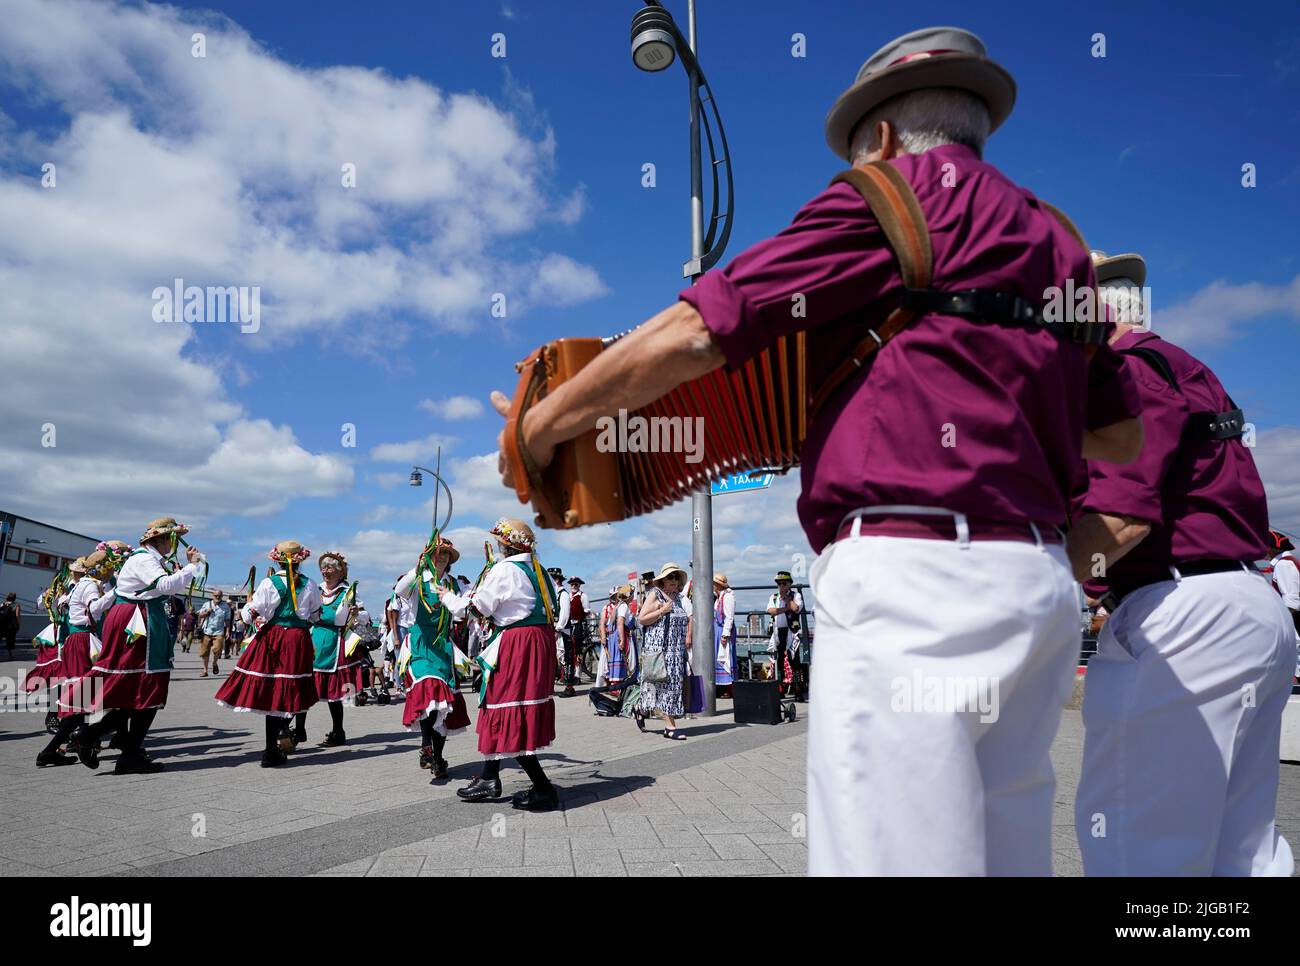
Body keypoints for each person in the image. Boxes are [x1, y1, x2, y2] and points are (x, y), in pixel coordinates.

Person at [490, 26, 1144, 875]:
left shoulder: (884, 197)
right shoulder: (1059, 243)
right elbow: (1120, 436)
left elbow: (700, 329)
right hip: (1038, 584)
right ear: (978, 125)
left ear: (878, 138)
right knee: (1008, 853)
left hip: (913, 584)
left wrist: (541, 429)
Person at [1069, 250, 1293, 876]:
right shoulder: (1184, 366)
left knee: (1138, 850)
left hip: (1182, 618)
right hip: (1248, 604)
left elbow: (1122, 517)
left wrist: (1044, 584)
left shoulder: (1129, 376)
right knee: (1242, 851)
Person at [437, 518, 559, 812]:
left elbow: (479, 608)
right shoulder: (539, 570)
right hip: (537, 641)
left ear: (504, 544)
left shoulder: (504, 569)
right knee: (501, 704)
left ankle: (543, 788)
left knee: (506, 706)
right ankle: (490, 777)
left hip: (517, 643)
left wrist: (447, 597)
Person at [72, 518, 206, 773]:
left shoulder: (148, 559)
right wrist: (191, 567)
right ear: (163, 540)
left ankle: (121, 746)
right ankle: (96, 736)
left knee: (140, 687)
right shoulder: (144, 559)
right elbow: (165, 586)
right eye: (172, 539)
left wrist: (186, 569)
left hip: (138, 617)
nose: (173, 544)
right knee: (148, 685)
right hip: (137, 621)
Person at [214, 541, 320, 767]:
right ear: (300, 561)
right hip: (297, 638)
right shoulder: (310, 584)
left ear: (277, 560)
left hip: (273, 637)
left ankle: (271, 749)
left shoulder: (269, 583)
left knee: (273, 688)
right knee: (291, 687)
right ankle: (281, 734)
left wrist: (250, 611)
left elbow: (248, 615)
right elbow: (315, 615)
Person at [397, 537, 470, 780]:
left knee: (443, 705)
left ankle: (437, 757)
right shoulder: (417, 581)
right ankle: (426, 745)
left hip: (443, 649)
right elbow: (399, 590)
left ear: (450, 559)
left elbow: (464, 609)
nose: (441, 557)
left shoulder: (455, 584)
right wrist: (417, 568)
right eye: (437, 553)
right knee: (430, 690)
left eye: (446, 554)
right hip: (420, 645)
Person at [38, 551, 117, 767]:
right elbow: (94, 608)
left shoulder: (82, 584)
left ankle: (69, 743)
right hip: (82, 639)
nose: (111, 571)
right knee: (85, 695)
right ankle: (67, 743)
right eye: (109, 568)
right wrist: (117, 592)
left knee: (85, 695)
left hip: (79, 640)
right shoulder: (90, 585)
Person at [293, 551, 364, 747]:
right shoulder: (315, 589)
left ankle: (338, 730)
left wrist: (356, 614)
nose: (325, 571)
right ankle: (299, 730)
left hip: (336, 642)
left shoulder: (348, 592)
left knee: (335, 693)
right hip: (314, 640)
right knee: (304, 685)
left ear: (341, 571)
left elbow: (363, 617)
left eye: (330, 567)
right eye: (323, 567)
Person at [634, 563, 691, 740]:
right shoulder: (655, 594)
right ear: (663, 581)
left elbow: (690, 618)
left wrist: (688, 636)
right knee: (658, 687)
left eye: (676, 577)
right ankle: (670, 726)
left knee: (671, 688)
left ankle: (640, 709)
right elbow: (642, 619)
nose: (674, 580)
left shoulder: (681, 598)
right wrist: (662, 610)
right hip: (658, 650)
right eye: (670, 577)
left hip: (676, 651)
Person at [766, 571, 805, 698]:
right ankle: (780, 689)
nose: (781, 586)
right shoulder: (774, 597)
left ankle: (798, 688)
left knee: (795, 660)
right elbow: (771, 611)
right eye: (779, 583)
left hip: (792, 632)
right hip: (779, 631)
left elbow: (796, 608)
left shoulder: (796, 595)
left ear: (790, 584)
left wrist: (788, 599)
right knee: (779, 660)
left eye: (784, 583)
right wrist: (784, 609)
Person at [547, 566, 574, 696]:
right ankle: (549, 685)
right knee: (551, 658)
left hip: (563, 630)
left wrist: (558, 628)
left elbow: (564, 613)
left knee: (566, 658)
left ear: (557, 579)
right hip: (553, 630)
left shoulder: (563, 594)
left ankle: (569, 686)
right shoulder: (551, 594)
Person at [196, 589, 231, 677]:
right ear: (212, 596)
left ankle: (214, 663)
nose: (217, 597)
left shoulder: (226, 606)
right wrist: (207, 612)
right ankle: (205, 671)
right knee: (204, 652)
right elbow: (200, 615)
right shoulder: (207, 604)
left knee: (218, 650)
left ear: (222, 596)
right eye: (216, 595)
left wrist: (227, 631)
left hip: (219, 631)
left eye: (219, 596)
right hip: (206, 631)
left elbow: (227, 620)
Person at [712, 574, 736, 691]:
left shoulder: (727, 597)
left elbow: (729, 617)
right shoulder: (719, 597)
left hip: (723, 629)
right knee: (718, 655)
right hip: (718, 628)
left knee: (726, 655)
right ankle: (721, 685)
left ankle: (728, 687)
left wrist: (725, 634)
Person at [2, 591, 22, 659]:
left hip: (2, 625)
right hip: (11, 626)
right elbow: (17, 616)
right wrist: (18, 625)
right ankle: (10, 656)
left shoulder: (2, 604)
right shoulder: (16, 605)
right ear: (14, 598)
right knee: (10, 641)